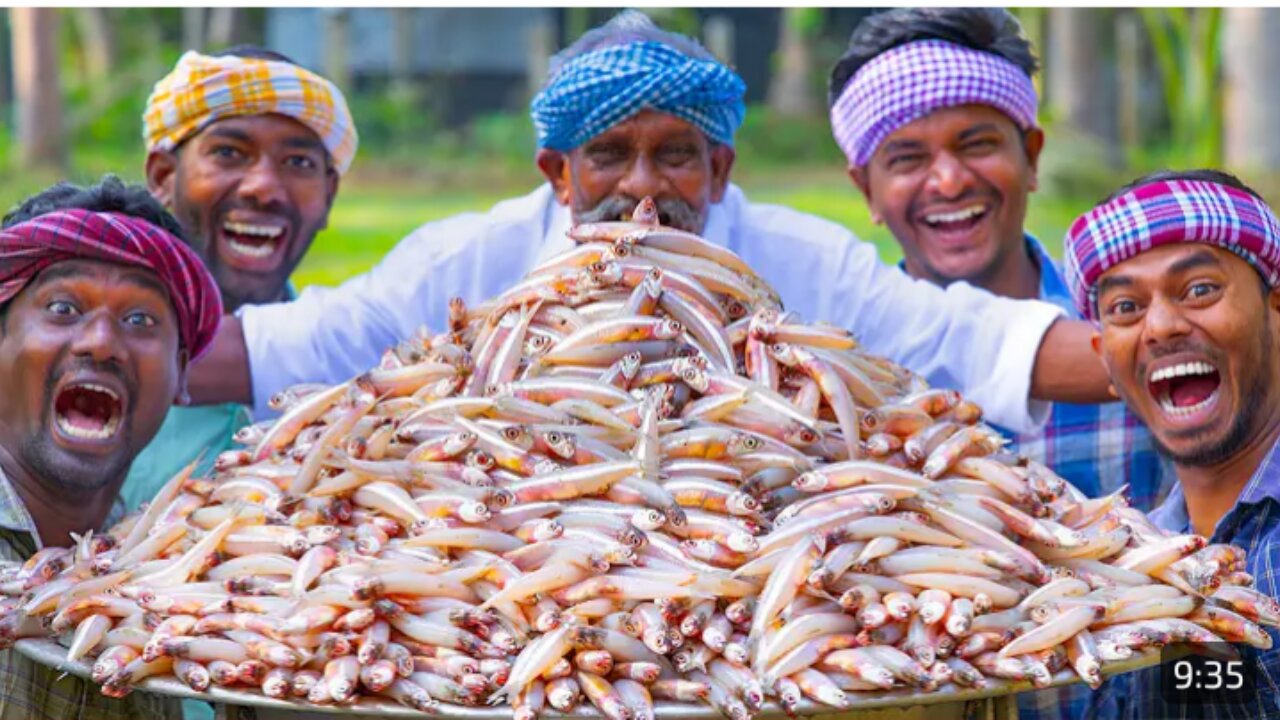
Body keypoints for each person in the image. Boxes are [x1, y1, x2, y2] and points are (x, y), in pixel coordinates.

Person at [187, 10, 1111, 435]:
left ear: (720, 168)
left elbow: (958, 337)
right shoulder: (472, 256)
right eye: (609, 155)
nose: (641, 189)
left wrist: (1167, 351)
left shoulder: (795, 257)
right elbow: (312, 341)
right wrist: (109, 348)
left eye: (675, 154)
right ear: (557, 172)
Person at [828, 7, 1174, 514]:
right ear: (867, 192)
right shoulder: (845, 374)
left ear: (1031, 157)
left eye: (977, 144)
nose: (948, 181)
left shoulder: (1143, 329)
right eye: (907, 159)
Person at [0, 177, 221, 719]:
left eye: (140, 319)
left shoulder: (166, 601)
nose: (100, 342)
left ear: (181, 375)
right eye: (62, 309)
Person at [1064, 170, 1280, 718]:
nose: (1160, 326)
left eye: (1200, 290)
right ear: (1104, 360)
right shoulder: (1124, 573)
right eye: (1125, 308)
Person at [120, 45, 355, 513]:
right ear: (163, 176)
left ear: (329, 194)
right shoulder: (90, 361)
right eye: (229, 153)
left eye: (298, 163)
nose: (263, 187)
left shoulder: (351, 365)